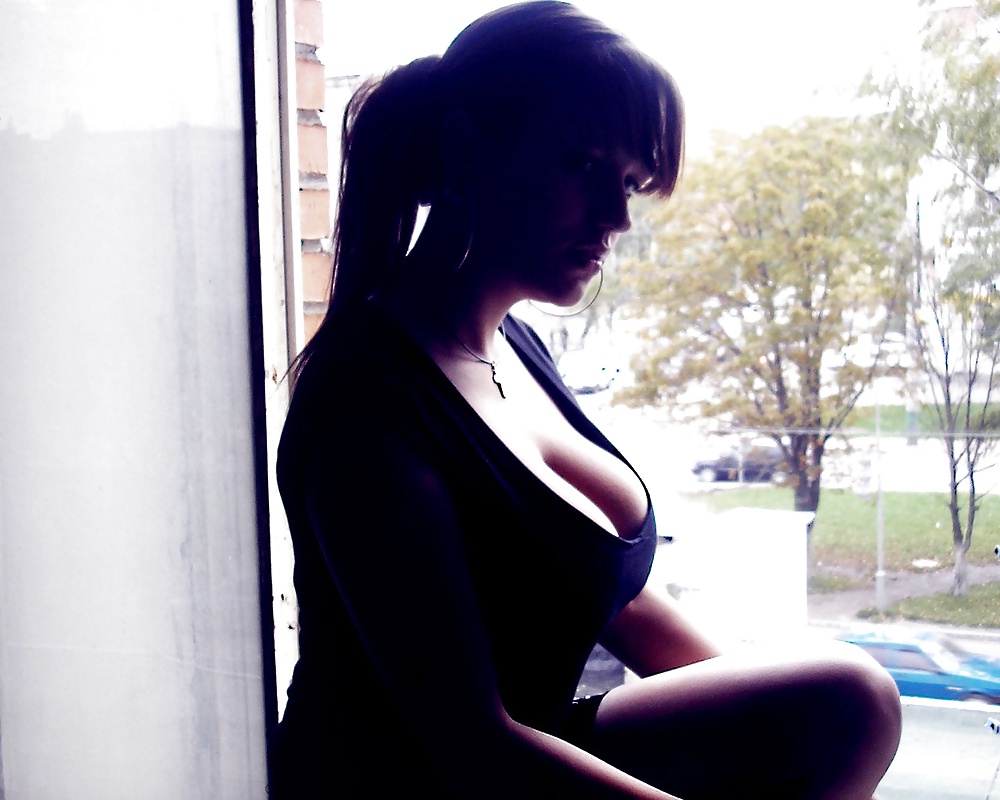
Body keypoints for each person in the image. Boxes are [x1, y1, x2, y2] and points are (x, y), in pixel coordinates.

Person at [267, 3, 902, 798]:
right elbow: (473, 746)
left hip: (526, 747)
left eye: (630, 182)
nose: (617, 217)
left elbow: (612, 599)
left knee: (846, 703)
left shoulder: (514, 348)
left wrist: (769, 715)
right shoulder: (368, 403)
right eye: (583, 165)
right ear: (467, 150)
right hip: (426, 782)